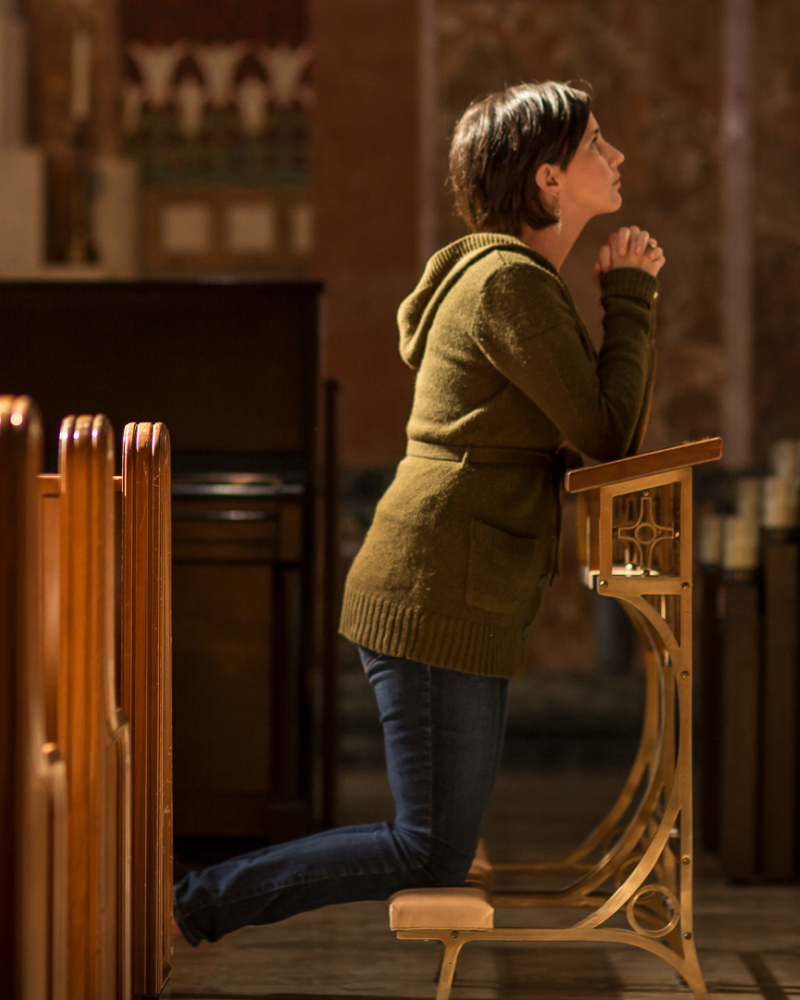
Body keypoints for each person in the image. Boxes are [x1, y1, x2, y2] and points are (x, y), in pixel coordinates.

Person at [173, 80, 664, 947]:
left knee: (435, 845)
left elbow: (598, 427)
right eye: (596, 142)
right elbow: (604, 433)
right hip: (438, 592)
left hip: (452, 590)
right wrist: (628, 296)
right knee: (429, 850)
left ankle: (187, 906)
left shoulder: (514, 282)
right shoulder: (509, 286)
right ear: (548, 181)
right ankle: (187, 908)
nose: (615, 155)